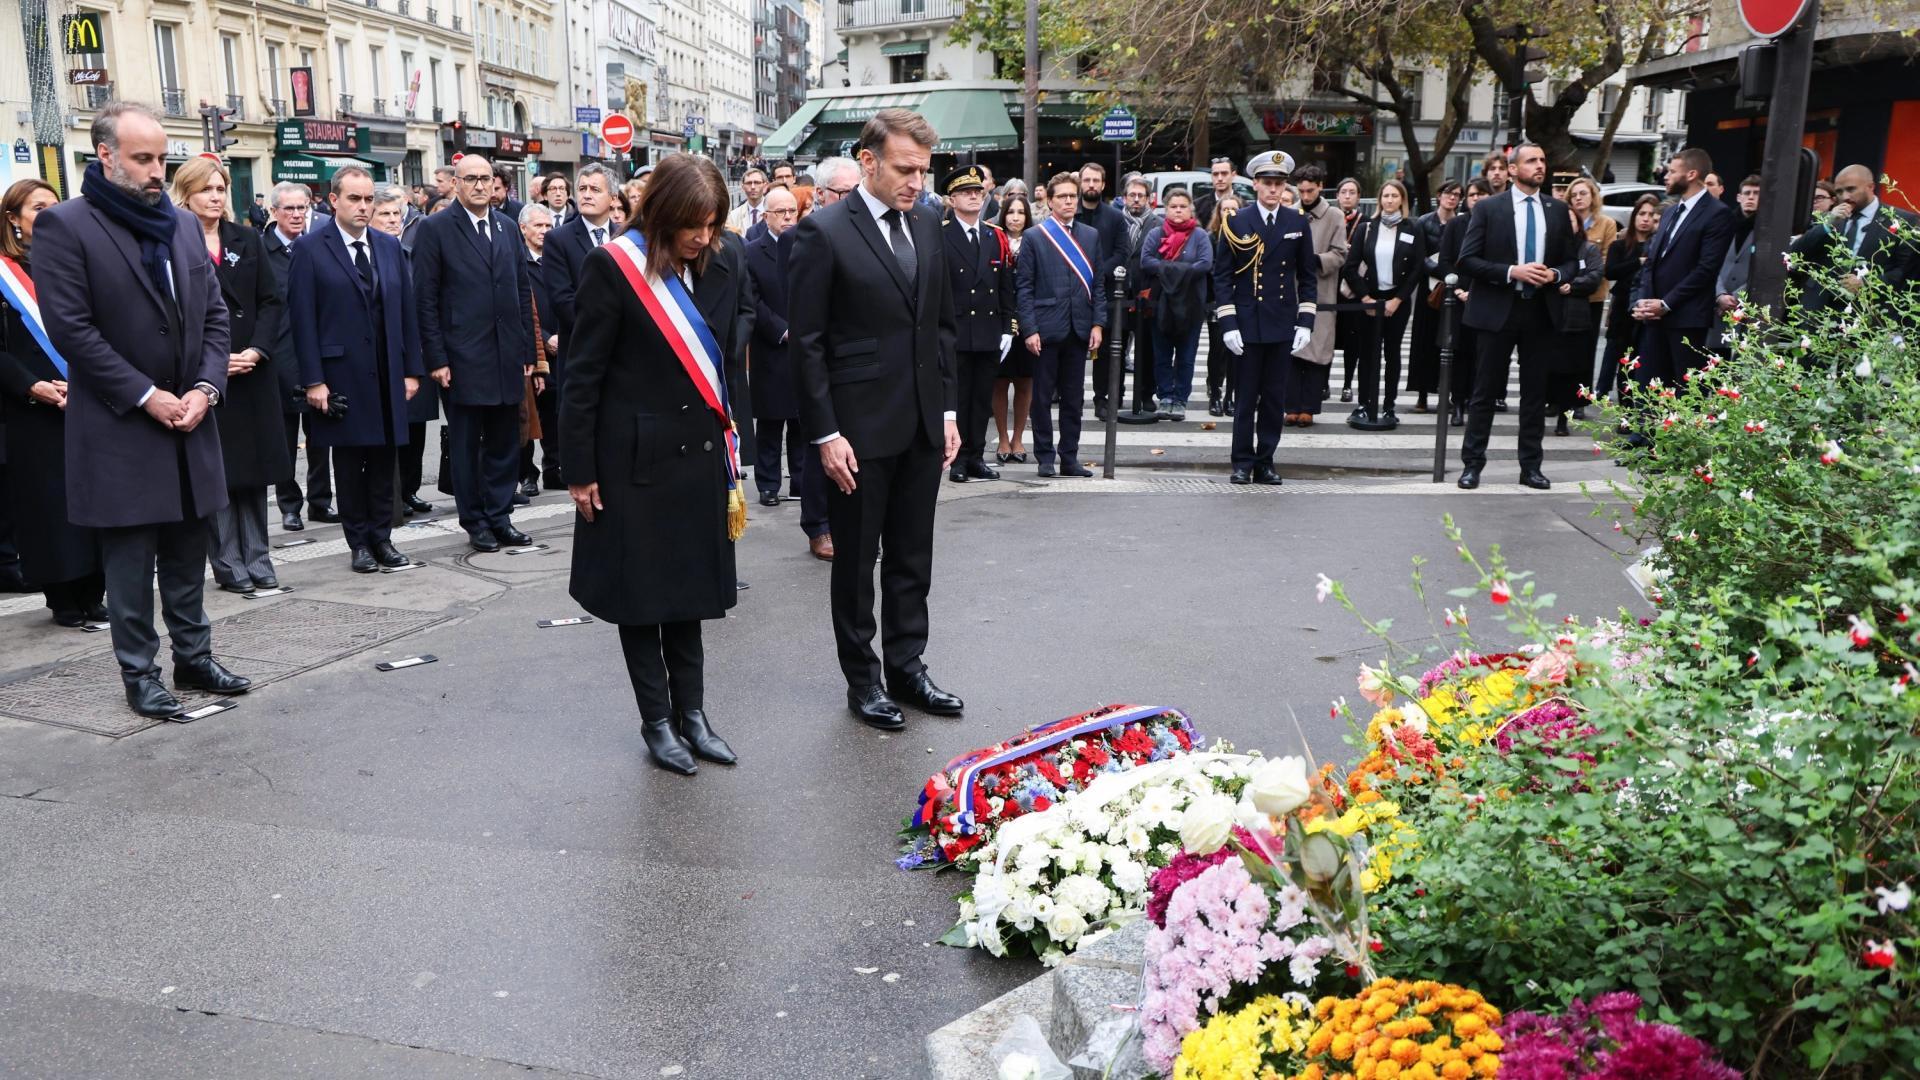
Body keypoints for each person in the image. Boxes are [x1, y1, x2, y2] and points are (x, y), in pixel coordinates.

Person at [35, 100, 252, 718]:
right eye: (143, 158)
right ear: (106, 156)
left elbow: (214, 316)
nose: (157, 170)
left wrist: (207, 389)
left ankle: (194, 658)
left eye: (162, 158)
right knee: (130, 564)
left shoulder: (181, 225)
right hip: (121, 424)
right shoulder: (66, 225)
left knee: (188, 551)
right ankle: (139, 673)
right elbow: (72, 331)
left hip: (191, 419)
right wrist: (145, 395)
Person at [562, 153, 744, 775]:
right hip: (632, 463)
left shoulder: (718, 260)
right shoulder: (612, 266)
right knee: (641, 598)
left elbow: (721, 356)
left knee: (689, 594)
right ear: (663, 213)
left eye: (714, 224)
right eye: (694, 224)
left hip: (696, 457)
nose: (704, 237)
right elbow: (581, 376)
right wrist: (579, 469)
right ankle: (658, 723)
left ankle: (694, 715)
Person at [788, 108, 963, 731]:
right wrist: (825, 434)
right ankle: (862, 680)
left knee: (914, 555)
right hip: (855, 432)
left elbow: (939, 327)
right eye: (905, 168)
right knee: (857, 560)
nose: (917, 180)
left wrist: (946, 410)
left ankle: (908, 667)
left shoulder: (932, 225)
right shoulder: (826, 231)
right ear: (868, 162)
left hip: (920, 423)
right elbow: (806, 341)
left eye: (924, 169)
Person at [286, 167, 424, 574]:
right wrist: (314, 380)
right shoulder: (311, 249)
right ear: (334, 201)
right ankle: (359, 542)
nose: (363, 207)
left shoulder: (387, 246)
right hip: (340, 373)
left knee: (384, 459)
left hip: (386, 369)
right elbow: (302, 320)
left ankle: (383, 537)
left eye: (368, 200)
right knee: (349, 464)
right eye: (355, 199)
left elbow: (406, 312)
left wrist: (411, 369)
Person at [172, 157, 290, 595]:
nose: (217, 197)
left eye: (221, 189)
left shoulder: (246, 238)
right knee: (217, 470)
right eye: (207, 189)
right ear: (186, 194)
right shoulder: (172, 240)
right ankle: (227, 562)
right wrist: (213, 362)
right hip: (205, 373)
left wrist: (257, 349)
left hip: (252, 370)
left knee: (255, 469)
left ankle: (259, 556)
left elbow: (271, 301)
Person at [414, 153, 538, 552]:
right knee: (467, 446)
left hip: (506, 355)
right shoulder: (436, 229)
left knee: (505, 441)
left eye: (486, 178)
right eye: (471, 179)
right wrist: (437, 359)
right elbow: (425, 299)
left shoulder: (505, 227)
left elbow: (521, 290)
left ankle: (500, 515)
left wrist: (526, 349)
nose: (480, 186)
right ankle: (476, 520)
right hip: (462, 358)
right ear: (456, 183)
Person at [0, 179, 107, 626]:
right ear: (13, 219)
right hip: (30, 407)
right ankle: (62, 596)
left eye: (55, 206)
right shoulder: (4, 273)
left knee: (93, 497)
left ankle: (94, 589)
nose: (50, 214)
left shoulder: (69, 265)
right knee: (48, 505)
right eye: (39, 207)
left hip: (85, 398)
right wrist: (32, 387)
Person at [1454, 142, 1583, 491]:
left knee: (1534, 394)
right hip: (1497, 309)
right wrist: (1513, 271)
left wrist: (1555, 275)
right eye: (1531, 161)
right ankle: (1472, 465)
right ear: (1512, 169)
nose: (1540, 165)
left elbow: (1572, 261)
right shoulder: (1489, 208)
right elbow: (1466, 260)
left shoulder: (1556, 210)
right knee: (1483, 392)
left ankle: (1531, 467)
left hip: (1540, 311)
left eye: (1543, 159)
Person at [1213, 150, 1318, 485]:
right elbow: (1222, 277)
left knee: (1274, 399)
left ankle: (1266, 460)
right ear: (1255, 184)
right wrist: (1228, 323)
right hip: (1246, 322)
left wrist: (1306, 321)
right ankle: (1242, 461)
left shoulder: (1296, 222)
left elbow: (1307, 277)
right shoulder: (1237, 222)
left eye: (1279, 183)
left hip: (1281, 321)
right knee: (1245, 398)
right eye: (1268, 183)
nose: (1274, 189)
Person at [1627, 147, 1736, 440]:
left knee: (1686, 387)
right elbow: (1652, 260)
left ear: (1691, 174)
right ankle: (1642, 442)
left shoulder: (1717, 214)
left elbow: (1705, 270)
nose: (1666, 175)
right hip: (1655, 316)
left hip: (1687, 317)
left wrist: (1666, 303)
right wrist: (1645, 301)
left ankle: (1682, 446)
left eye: (1672, 171)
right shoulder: (1673, 210)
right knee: (1648, 380)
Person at [787, 155, 860, 562]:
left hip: (855, 361)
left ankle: (850, 520)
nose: (851, 200)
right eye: (843, 193)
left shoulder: (859, 232)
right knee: (820, 442)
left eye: (856, 191)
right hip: (818, 358)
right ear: (821, 194)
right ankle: (818, 525)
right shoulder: (805, 233)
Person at [1017, 171, 1106, 479]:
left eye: (1073, 196)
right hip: (1045, 328)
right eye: (1063, 197)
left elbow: (1099, 286)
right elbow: (1024, 287)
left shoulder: (1090, 236)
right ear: (1050, 201)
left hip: (1079, 329)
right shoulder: (1035, 236)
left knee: (1073, 399)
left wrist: (1098, 323)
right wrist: (1029, 329)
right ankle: (1045, 457)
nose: (1069, 201)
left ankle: (1070, 457)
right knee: (1041, 398)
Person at [540, 162, 621, 493]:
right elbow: (563, 300)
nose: (586, 195)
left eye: (595, 189)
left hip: (625, 356)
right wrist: (613, 325)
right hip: (582, 352)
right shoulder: (559, 240)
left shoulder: (627, 236)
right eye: (583, 189)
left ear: (612, 196)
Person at [263, 182, 333, 531]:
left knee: (321, 437)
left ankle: (321, 501)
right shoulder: (263, 250)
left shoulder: (317, 247)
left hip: (318, 356)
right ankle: (290, 505)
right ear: (274, 211)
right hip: (279, 358)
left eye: (301, 208)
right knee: (285, 440)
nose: (295, 214)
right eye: (288, 208)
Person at [939, 166, 1016, 481]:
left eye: (978, 192)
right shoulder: (940, 234)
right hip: (955, 331)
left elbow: (1006, 286)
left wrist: (1008, 327)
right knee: (957, 399)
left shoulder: (994, 236)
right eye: (966, 192)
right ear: (952, 198)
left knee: (982, 399)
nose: (974, 196)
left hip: (987, 331)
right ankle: (956, 459)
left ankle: (976, 456)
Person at [371, 184, 439, 516]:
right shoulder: (369, 253)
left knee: (415, 426)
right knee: (389, 429)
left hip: (415, 352)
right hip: (381, 354)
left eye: (397, 213)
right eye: (384, 214)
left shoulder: (410, 253)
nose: (392, 220)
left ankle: (410, 490)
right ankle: (392, 496)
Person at [1342, 178, 1425, 428]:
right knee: (1367, 353)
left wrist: (1398, 300)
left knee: (1392, 353)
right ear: (1379, 200)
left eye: (1394, 196)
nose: (1389, 201)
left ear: (1402, 200)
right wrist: (1365, 297)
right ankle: (1365, 402)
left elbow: (1417, 268)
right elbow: (1351, 266)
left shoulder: (1412, 228)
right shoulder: (1368, 227)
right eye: (1385, 196)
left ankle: (1389, 404)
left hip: (1397, 302)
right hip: (1369, 299)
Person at [1787, 163, 1919, 311]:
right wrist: (1826, 225)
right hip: (1819, 308)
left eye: (1851, 189)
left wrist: (1866, 283)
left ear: (1870, 186)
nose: (1844, 197)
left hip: (1869, 311)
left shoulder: (1901, 220)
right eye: (1839, 191)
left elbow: (1906, 271)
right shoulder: (1827, 218)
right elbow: (1793, 254)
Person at [1547, 176, 1618, 434]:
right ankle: (1554, 398)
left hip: (1591, 297)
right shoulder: (1561, 223)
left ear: (1592, 197)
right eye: (1574, 194)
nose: (1578, 198)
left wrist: (1576, 284)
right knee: (1557, 351)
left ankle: (1579, 400)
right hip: (1561, 298)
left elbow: (1605, 261)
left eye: (1583, 193)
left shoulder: (1605, 224)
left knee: (1583, 353)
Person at [748, 185, 803, 504]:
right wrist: (781, 330)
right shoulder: (753, 251)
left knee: (800, 420)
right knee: (770, 423)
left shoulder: (804, 245)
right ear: (765, 216)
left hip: (802, 346)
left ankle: (799, 479)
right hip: (771, 347)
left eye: (791, 211)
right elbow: (751, 299)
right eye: (780, 212)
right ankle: (768, 483)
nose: (786, 217)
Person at [1138, 188, 1212, 420]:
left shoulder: (1200, 236)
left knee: (1186, 355)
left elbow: (1205, 264)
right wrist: (1180, 269)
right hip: (1161, 303)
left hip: (1191, 304)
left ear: (1190, 209)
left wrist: (1169, 269)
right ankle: (1166, 396)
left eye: (1183, 206)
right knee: (1162, 354)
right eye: (1173, 206)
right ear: (1166, 209)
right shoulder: (1156, 233)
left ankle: (1180, 398)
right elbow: (1146, 260)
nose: (1178, 210)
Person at [1284, 170, 1348, 427]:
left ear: (1321, 187)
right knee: (1290, 349)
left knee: (1317, 349)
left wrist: (1315, 260)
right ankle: (1290, 405)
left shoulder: (1334, 216)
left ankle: (1309, 407)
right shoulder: (1290, 212)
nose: (1306, 195)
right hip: (1290, 291)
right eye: (1302, 190)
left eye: (1311, 190)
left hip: (1321, 291)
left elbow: (1340, 253)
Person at [1436, 178, 1493, 427]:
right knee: (1458, 354)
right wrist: (1458, 289)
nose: (1477, 199)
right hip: (1459, 300)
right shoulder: (1456, 224)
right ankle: (1457, 404)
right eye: (1472, 195)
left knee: (1482, 356)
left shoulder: (1498, 224)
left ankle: (1475, 401)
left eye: (1482, 194)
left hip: (1487, 298)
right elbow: (1445, 260)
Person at [1598, 193, 1661, 406]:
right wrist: (1638, 262)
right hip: (1623, 308)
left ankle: (1641, 409)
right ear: (1634, 216)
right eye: (1642, 213)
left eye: (1651, 214)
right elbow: (1611, 272)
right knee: (1622, 360)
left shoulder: (1658, 245)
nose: (1646, 218)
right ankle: (1625, 411)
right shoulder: (1620, 245)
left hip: (1648, 307)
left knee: (1641, 362)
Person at [1405, 179, 1462, 414]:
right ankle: (1421, 394)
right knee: (1423, 340)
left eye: (1457, 195)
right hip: (1427, 288)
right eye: (1449, 193)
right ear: (1439, 195)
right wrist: (1439, 271)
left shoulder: (1460, 224)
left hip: (1452, 288)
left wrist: (1451, 274)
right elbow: (1418, 256)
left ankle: (1445, 392)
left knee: (1448, 342)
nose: (1452, 198)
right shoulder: (1423, 222)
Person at [1110, 175, 1162, 417]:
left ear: (1149, 199)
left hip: (1147, 292)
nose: (1137, 200)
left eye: (1141, 195)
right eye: (1132, 195)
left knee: (1147, 348)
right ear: (1124, 198)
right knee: (1116, 345)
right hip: (1119, 291)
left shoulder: (1158, 224)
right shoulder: (1115, 221)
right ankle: (1116, 392)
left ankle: (1145, 394)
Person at [991, 191, 1035, 465]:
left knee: (1024, 382)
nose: (1016, 217)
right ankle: (1002, 439)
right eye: (1011, 212)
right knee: (998, 383)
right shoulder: (994, 240)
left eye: (1020, 212)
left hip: (1028, 320)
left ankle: (1018, 438)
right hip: (999, 321)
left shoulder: (1034, 240)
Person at [517, 203, 557, 501]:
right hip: (533, 347)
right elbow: (524, 310)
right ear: (524, 229)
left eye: (547, 226)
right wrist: (543, 338)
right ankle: (527, 475)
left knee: (556, 413)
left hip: (562, 344)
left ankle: (555, 468)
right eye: (538, 226)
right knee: (528, 417)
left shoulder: (557, 259)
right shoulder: (517, 260)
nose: (544, 232)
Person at [1203, 192, 1243, 417]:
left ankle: (1231, 395)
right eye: (1224, 209)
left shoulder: (1247, 234)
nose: (1228, 213)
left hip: (1241, 299)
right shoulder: (1212, 236)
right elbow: (1213, 268)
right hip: (1218, 299)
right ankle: (1215, 393)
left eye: (1233, 209)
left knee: (1236, 352)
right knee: (1217, 349)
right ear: (1218, 213)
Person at [1333, 177, 1365, 403]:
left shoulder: (1364, 224)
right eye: (1343, 192)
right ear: (1337, 196)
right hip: (1330, 283)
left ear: (1358, 197)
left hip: (1353, 286)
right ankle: (1322, 383)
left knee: (1353, 337)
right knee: (1326, 336)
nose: (1347, 196)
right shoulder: (1331, 219)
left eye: (1352, 192)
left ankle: (1347, 384)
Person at [1192, 157, 1235, 228]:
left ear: (1233, 175)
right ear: (1211, 176)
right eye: (1215, 174)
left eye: (1224, 173)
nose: (1220, 178)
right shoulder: (1198, 206)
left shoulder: (1245, 206)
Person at [727, 167, 769, 234]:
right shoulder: (734, 216)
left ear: (765, 186)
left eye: (757, 182)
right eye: (749, 183)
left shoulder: (773, 212)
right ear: (743, 187)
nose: (752, 187)